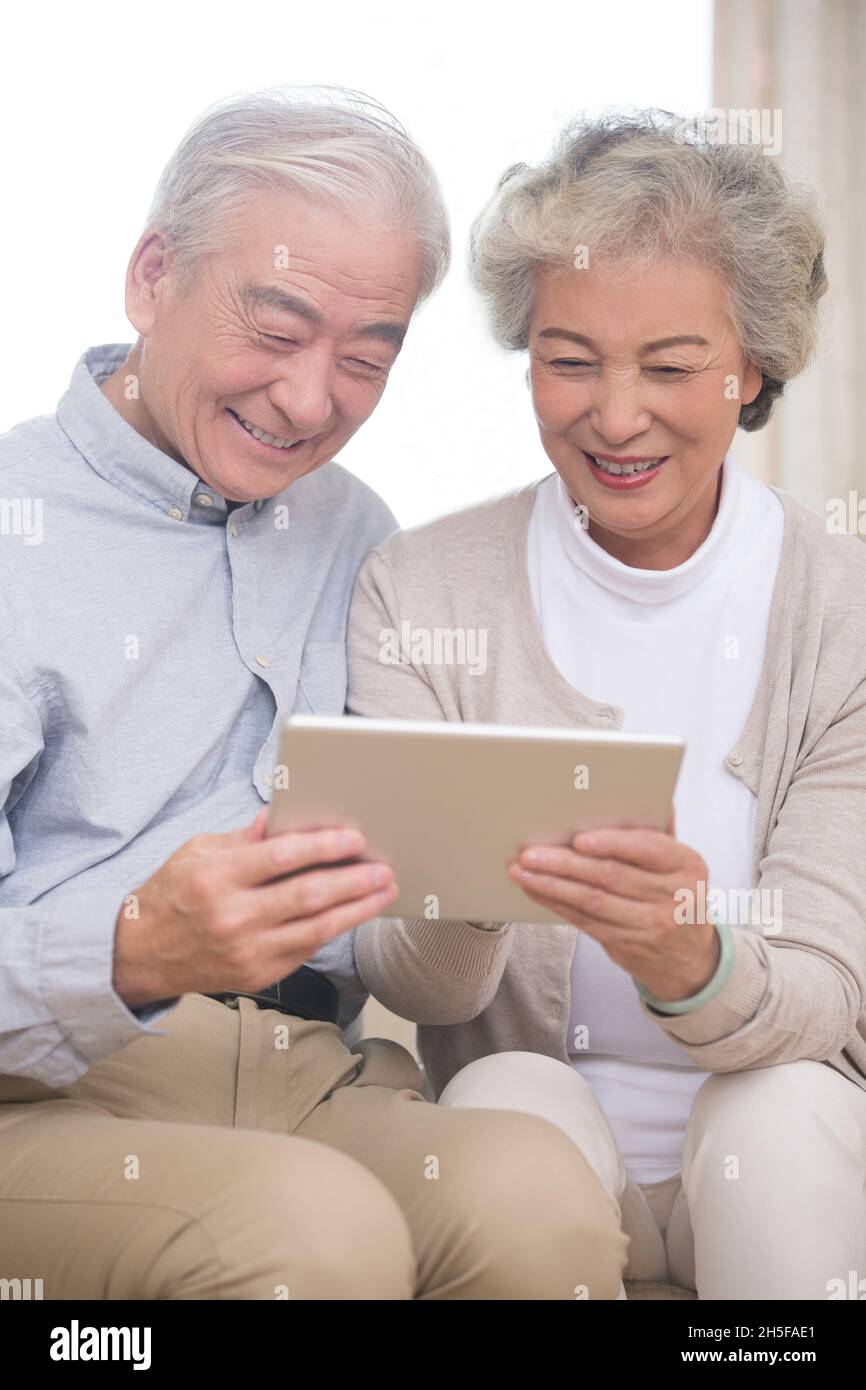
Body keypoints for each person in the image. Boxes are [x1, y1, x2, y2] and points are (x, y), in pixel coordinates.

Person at [0, 86, 628, 1301]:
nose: (307, 399)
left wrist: (489, 865)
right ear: (151, 275)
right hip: (51, 1094)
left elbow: (408, 968)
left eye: (364, 357)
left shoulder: (357, 537)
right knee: (312, 1233)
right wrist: (135, 948)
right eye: (275, 330)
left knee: (538, 1200)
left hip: (310, 1070)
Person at [346, 111, 866, 1299]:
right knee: (499, 1093)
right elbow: (405, 981)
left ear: (752, 369)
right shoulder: (417, 588)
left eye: (671, 366)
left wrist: (690, 957)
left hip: (777, 1139)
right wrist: (470, 888)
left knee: (775, 1115)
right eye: (569, 359)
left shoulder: (836, 612)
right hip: (550, 1153)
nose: (613, 416)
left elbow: (827, 991)